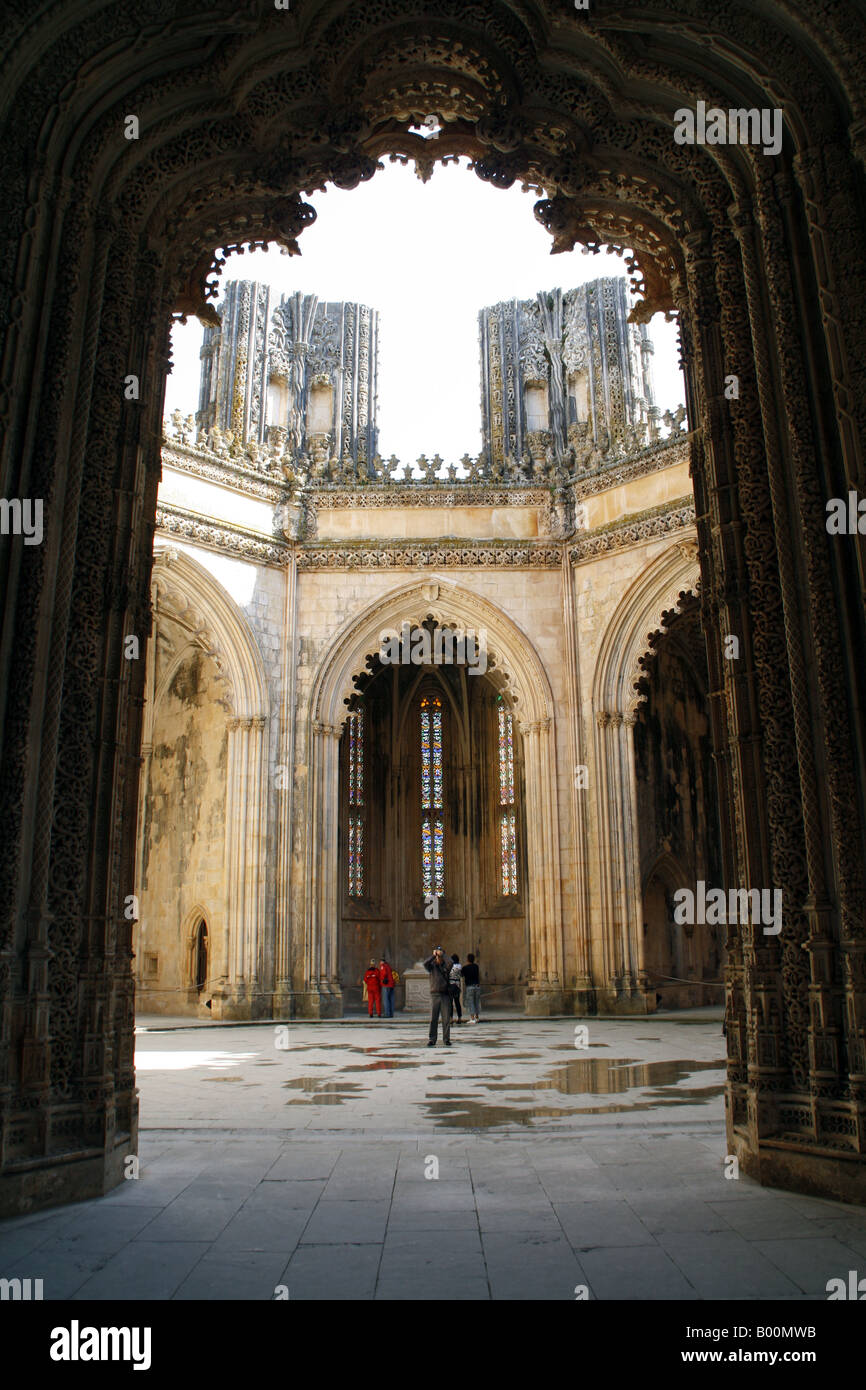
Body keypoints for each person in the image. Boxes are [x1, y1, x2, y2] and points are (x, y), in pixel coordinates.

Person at [423, 946, 452, 1047]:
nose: (438, 958)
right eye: (437, 956)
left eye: (440, 956)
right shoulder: (432, 966)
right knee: (433, 1019)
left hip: (445, 995)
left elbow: (451, 963)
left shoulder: (446, 965)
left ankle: (446, 1039)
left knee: (446, 1019)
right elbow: (425, 963)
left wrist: (443, 954)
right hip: (435, 994)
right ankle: (432, 1039)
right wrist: (433, 955)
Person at [462, 953, 481, 1023]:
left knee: (471, 1002)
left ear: (467, 959)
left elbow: (461, 974)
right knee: (476, 1002)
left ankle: (472, 1018)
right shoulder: (476, 966)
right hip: (477, 986)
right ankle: (477, 1017)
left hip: (470, 986)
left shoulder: (465, 968)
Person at [448, 954, 463, 1023]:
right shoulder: (460, 967)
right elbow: (461, 975)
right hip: (457, 985)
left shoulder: (450, 966)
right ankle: (459, 1018)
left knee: (450, 1003)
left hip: (451, 985)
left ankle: (451, 1018)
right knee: (457, 1002)